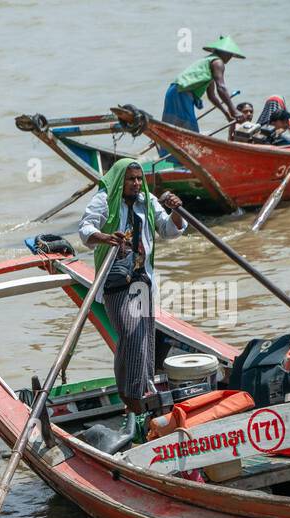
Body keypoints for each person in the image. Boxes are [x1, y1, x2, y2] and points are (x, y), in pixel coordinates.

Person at [78, 159, 187, 413]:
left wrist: (177, 211)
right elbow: (85, 228)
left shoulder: (146, 202)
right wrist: (105, 237)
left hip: (143, 280)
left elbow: (168, 230)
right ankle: (134, 398)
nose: (136, 184)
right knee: (132, 334)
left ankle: (140, 394)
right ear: (120, 180)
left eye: (139, 179)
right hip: (116, 281)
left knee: (145, 339)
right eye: (131, 179)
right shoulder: (105, 199)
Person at [162, 35, 244, 134]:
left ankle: (167, 149)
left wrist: (227, 114)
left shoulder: (208, 63)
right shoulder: (218, 62)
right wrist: (234, 110)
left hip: (174, 91)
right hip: (183, 94)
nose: (230, 57)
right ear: (224, 52)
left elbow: (212, 96)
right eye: (230, 54)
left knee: (171, 128)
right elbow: (221, 88)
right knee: (189, 131)